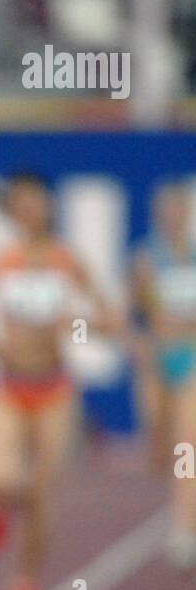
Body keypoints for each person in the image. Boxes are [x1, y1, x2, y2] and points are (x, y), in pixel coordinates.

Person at [0, 172, 119, 590]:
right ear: (12, 210)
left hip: (54, 391)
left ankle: (24, 585)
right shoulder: (1, 260)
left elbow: (109, 320)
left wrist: (76, 321)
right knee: (2, 478)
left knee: (40, 493)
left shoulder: (67, 261)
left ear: (48, 207)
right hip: (10, 388)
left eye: (36, 201)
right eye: (21, 202)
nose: (29, 210)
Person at [131, 180, 196, 569]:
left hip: (191, 355)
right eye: (166, 210)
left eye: (179, 210)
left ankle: (184, 526)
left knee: (186, 444)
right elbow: (132, 311)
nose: (173, 217)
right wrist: (138, 343)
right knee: (158, 439)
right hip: (159, 359)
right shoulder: (145, 259)